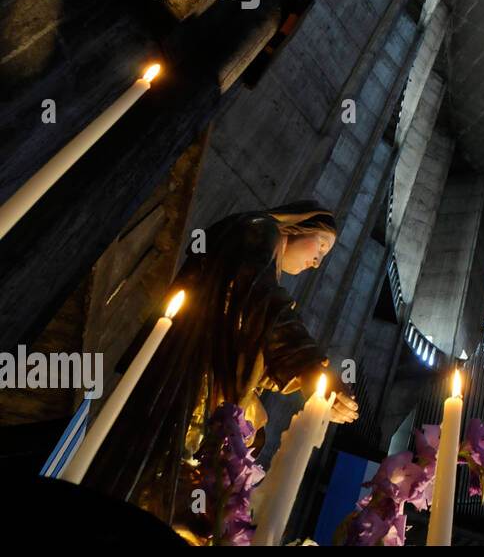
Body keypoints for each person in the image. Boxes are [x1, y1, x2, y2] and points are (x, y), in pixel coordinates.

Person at [82, 200, 359, 538]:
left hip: (198, 376)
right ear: (298, 224)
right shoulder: (258, 229)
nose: (317, 261)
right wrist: (309, 364)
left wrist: (306, 380)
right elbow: (258, 300)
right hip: (193, 373)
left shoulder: (258, 252)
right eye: (322, 245)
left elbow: (249, 339)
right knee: (161, 479)